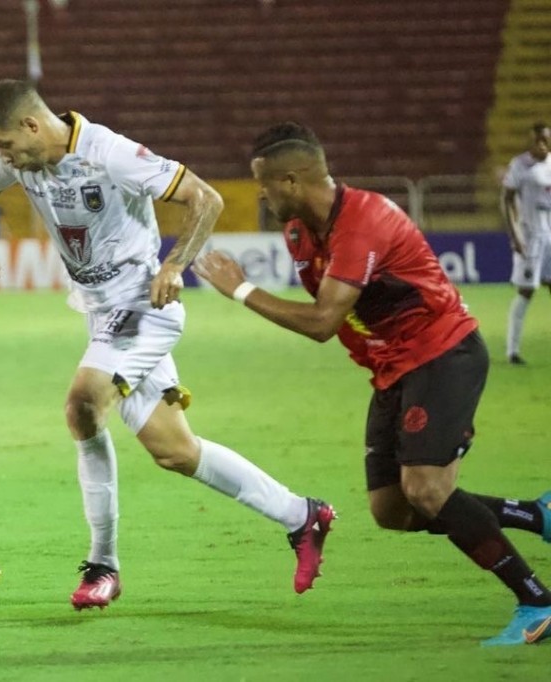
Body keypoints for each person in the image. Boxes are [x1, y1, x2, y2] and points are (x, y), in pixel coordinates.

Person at [0, 79, 334, 610]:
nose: (2, 156)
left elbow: (206, 198)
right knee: (175, 451)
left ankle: (102, 565)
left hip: (143, 305)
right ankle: (302, 515)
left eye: (6, 143)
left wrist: (175, 265)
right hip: (101, 314)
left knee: (82, 405)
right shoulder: (16, 160)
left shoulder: (109, 152)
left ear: (31, 125)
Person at [194, 121, 551, 647]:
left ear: (291, 180)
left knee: (426, 489)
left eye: (264, 183)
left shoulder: (365, 219)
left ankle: (536, 600)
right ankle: (536, 514)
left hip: (443, 354)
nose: (261, 194)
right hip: (395, 369)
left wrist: (241, 290)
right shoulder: (298, 233)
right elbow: (348, 318)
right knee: (393, 509)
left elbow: (323, 321)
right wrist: (380, 369)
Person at [501, 122, 551, 365]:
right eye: (537, 141)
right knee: (526, 291)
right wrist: (515, 236)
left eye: (545, 140)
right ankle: (512, 351)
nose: (541, 145)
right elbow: (507, 199)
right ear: (530, 142)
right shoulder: (519, 165)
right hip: (530, 238)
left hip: (550, 236)